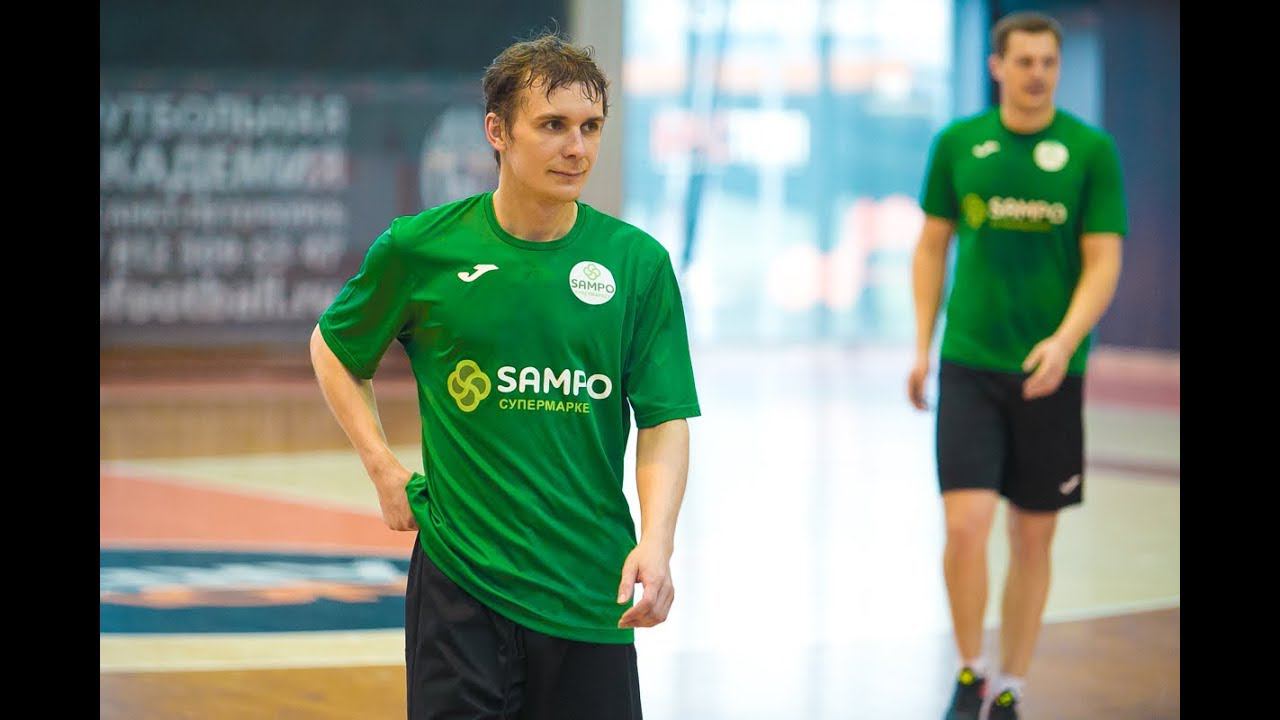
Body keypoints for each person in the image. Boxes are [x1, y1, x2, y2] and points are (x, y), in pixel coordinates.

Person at [309, 33, 700, 720]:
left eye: (590, 127)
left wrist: (657, 542)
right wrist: (382, 469)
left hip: (590, 592)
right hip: (461, 589)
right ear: (497, 132)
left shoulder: (638, 264)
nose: (576, 148)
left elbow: (664, 418)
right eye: (553, 126)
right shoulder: (421, 249)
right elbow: (334, 347)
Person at [908, 12, 1126, 720]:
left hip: (1051, 372)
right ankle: (970, 670)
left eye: (1048, 62)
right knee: (965, 527)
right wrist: (921, 344)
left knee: (1033, 537)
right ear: (997, 66)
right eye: (1025, 61)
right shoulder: (958, 144)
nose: (1038, 74)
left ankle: (1012, 687)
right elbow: (931, 246)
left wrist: (1064, 341)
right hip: (969, 363)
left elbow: (1103, 261)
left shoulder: (1090, 151)